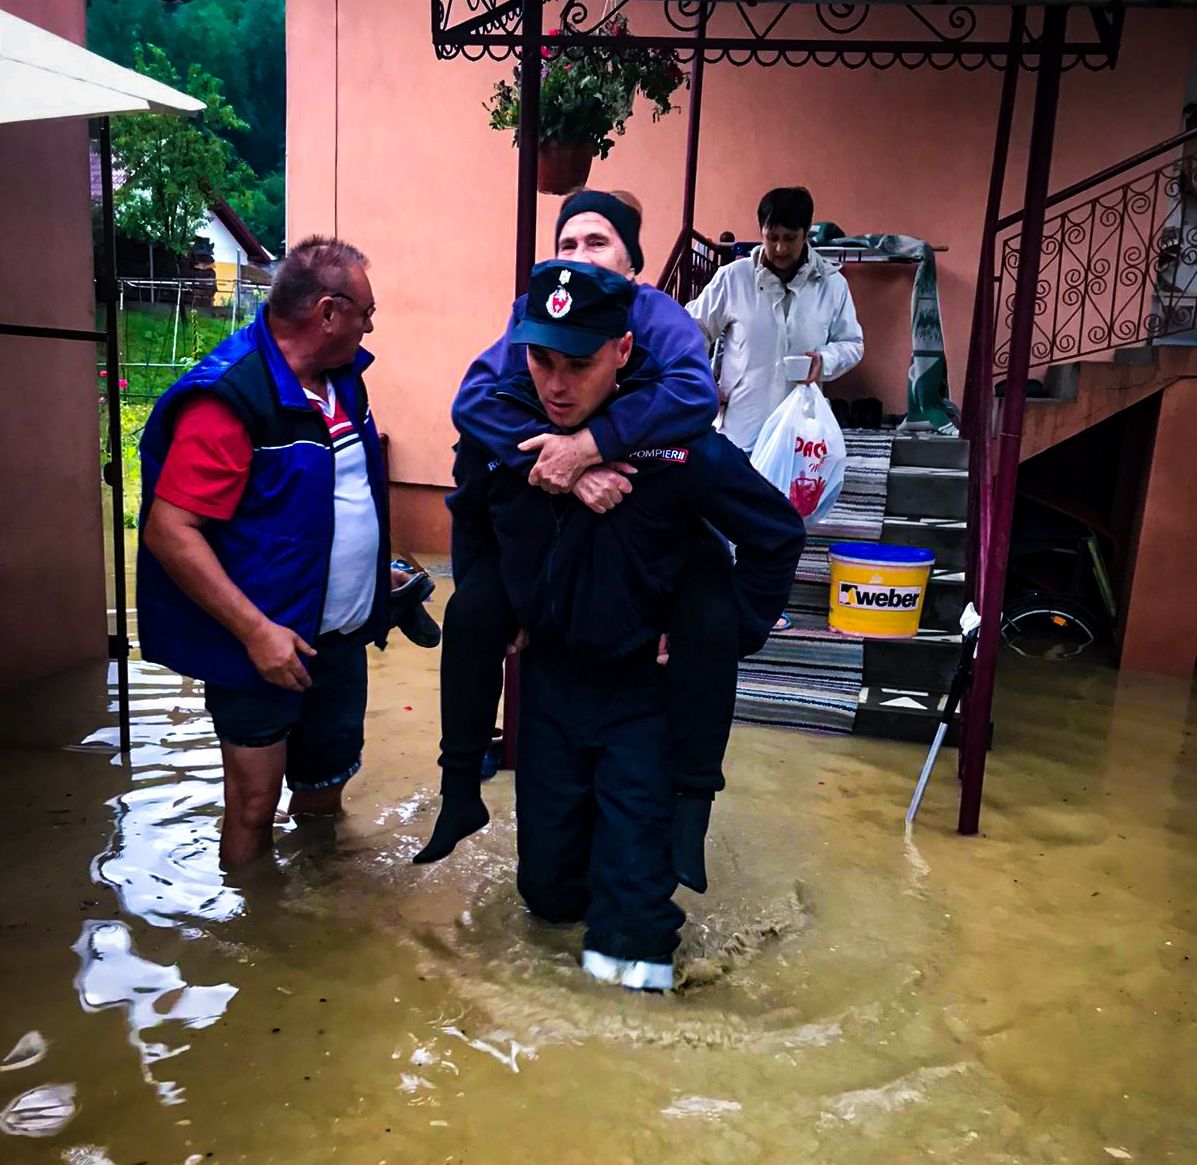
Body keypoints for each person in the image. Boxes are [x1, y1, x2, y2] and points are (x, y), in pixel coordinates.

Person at [448, 259, 805, 990]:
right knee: (548, 899)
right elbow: (471, 518)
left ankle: (638, 1022)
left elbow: (776, 535)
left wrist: (720, 636)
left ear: (622, 351)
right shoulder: (504, 434)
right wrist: (500, 606)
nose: (555, 384)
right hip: (548, 691)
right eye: (541, 360)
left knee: (632, 937)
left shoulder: (676, 448)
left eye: (578, 364)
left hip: (643, 696)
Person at [416, 190, 735, 896]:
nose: (580, 256)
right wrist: (556, 461)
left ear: (631, 261)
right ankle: (460, 786)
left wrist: (592, 445)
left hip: (655, 534)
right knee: (471, 612)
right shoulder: (533, 311)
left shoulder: (657, 316)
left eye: (597, 243)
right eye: (567, 244)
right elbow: (474, 403)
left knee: (706, 623)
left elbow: (694, 396)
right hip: (548, 550)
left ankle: (692, 808)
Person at [138, 236, 396, 868]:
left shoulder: (343, 382)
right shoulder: (231, 400)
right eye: (365, 312)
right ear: (328, 313)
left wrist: (376, 576)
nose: (370, 325)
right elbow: (170, 531)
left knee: (325, 791)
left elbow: (338, 498)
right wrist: (257, 633)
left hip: (338, 641)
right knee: (254, 807)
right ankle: (253, 923)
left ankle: (314, 915)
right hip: (262, 651)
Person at [686, 186, 865, 454]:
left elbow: (852, 343)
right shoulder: (733, 278)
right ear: (761, 232)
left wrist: (824, 360)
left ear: (806, 232)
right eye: (772, 238)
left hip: (802, 436)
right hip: (741, 430)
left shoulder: (832, 285)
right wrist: (703, 379)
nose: (780, 248)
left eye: (790, 238)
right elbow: (693, 330)